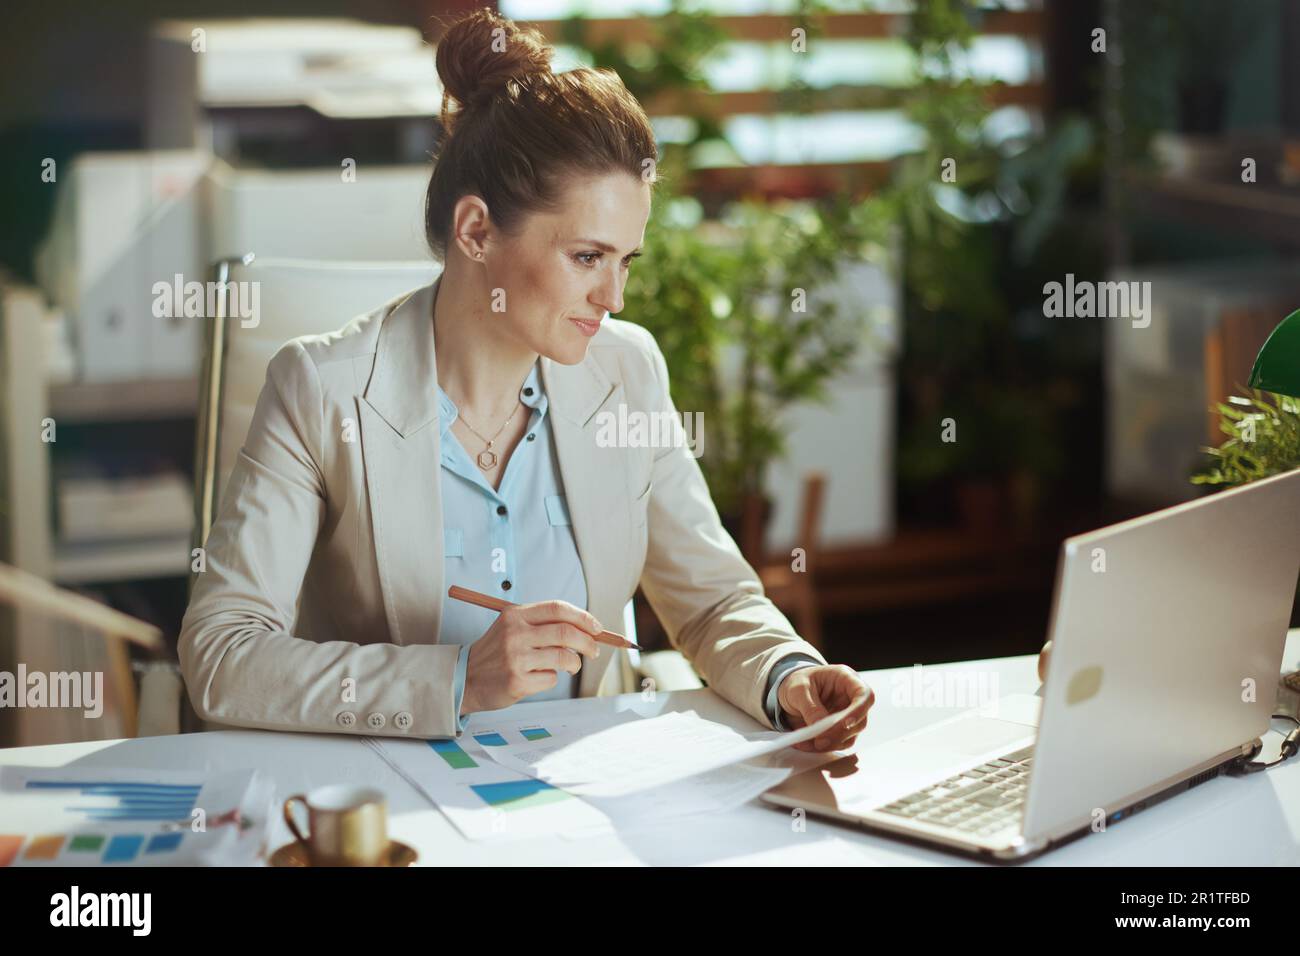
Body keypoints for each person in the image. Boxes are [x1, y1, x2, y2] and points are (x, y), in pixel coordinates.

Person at [179, 9, 872, 752]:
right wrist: (455, 681)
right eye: (586, 258)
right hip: (390, 804)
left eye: (625, 261)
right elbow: (223, 654)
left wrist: (786, 674)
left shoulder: (626, 372)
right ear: (475, 231)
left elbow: (710, 602)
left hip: (579, 792)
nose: (615, 298)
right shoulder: (323, 390)